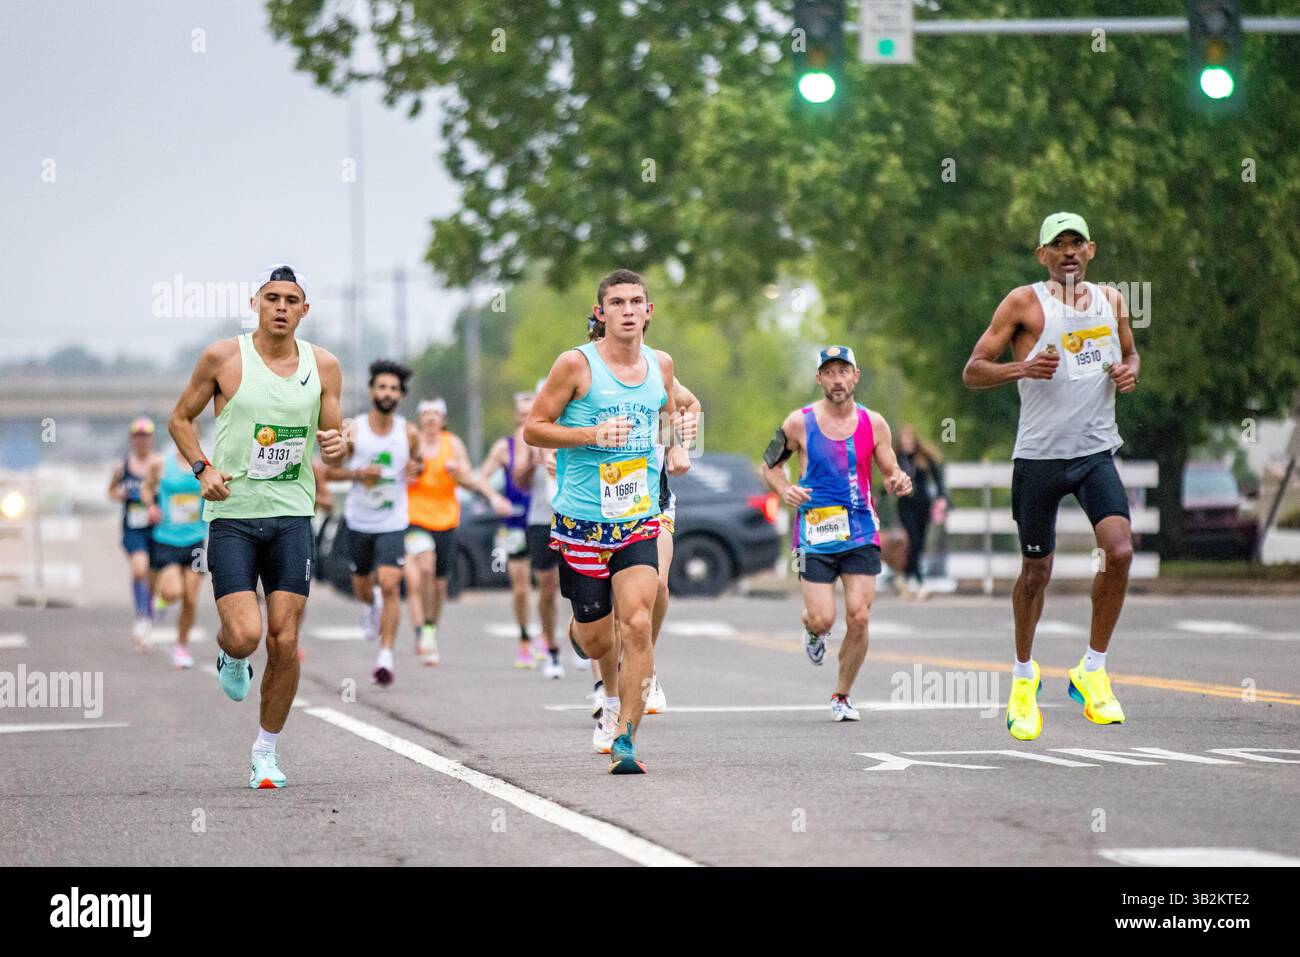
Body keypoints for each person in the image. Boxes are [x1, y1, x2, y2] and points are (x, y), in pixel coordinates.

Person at [962, 212, 1139, 741]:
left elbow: (1129, 352)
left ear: (1091, 250)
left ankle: (1092, 668)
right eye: (1057, 244)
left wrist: (1131, 369)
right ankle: (1023, 678)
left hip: (1094, 453)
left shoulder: (1113, 301)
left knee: (1121, 551)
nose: (1068, 252)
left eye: (1076, 243)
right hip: (1039, 458)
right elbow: (972, 370)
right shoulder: (1023, 303)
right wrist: (1021, 368)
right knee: (1036, 572)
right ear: (1042, 255)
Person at [168, 263, 346, 789]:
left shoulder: (325, 365)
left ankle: (265, 751)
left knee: (284, 641)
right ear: (256, 303)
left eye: (292, 300)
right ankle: (228, 651)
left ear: (305, 311)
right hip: (234, 517)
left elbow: (334, 443)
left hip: (293, 514)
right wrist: (202, 468)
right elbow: (180, 418)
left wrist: (338, 448)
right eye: (273, 298)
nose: (282, 307)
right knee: (247, 636)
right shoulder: (224, 358)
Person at [524, 268, 689, 774]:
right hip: (581, 523)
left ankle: (626, 739)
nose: (626, 310)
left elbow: (679, 408)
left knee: (638, 622)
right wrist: (592, 435)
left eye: (635, 301)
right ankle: (589, 650)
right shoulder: (575, 365)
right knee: (597, 638)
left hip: (638, 517)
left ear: (648, 311)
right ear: (601, 313)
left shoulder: (660, 365)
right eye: (615, 302)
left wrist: (681, 446)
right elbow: (534, 429)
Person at [761, 346, 913, 722]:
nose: (837, 379)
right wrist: (785, 490)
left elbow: (890, 468)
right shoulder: (799, 422)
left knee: (859, 616)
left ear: (856, 376)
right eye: (829, 372)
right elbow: (769, 466)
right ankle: (813, 631)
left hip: (861, 527)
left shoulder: (874, 423)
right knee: (824, 618)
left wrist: (897, 481)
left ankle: (842, 695)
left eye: (844, 371)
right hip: (815, 532)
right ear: (819, 379)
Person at [328, 360, 422, 687]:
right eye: (382, 387)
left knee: (391, 582)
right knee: (364, 586)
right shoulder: (355, 431)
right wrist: (357, 473)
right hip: (359, 521)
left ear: (400, 395)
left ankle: (386, 656)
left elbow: (418, 464)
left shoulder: (408, 433)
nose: (387, 393)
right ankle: (370, 607)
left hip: (393, 520)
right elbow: (330, 471)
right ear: (372, 391)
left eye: (394, 389)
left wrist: (416, 470)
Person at [405, 397, 513, 665]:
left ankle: (430, 629)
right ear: (421, 419)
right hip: (415, 518)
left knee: (440, 584)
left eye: (435, 415)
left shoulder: (452, 444)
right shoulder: (412, 443)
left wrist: (471, 483)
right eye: (426, 415)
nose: (431, 420)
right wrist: (406, 472)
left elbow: (468, 480)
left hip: (446, 521)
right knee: (425, 569)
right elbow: (396, 471)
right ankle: (424, 632)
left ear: (443, 420)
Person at [476, 390, 564, 672]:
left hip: (542, 517)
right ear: (516, 416)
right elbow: (481, 478)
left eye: (531, 413)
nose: (527, 418)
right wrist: (495, 498)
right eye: (523, 414)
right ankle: (525, 638)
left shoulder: (550, 439)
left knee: (548, 585)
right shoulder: (508, 447)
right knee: (521, 587)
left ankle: (545, 635)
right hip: (515, 521)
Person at [513, 394, 566, 680]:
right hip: (540, 520)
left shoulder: (572, 430)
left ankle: (583, 640)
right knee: (546, 585)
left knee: (577, 583)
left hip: (571, 516)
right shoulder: (529, 437)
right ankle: (552, 647)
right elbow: (518, 482)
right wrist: (533, 464)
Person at [144, 447, 209, 669]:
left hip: (196, 539)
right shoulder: (161, 464)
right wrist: (151, 506)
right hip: (167, 538)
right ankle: (162, 599)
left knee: (191, 598)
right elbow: (147, 487)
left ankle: (181, 647)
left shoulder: (205, 466)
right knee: (173, 592)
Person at [108, 417, 164, 650]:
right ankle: (142, 617)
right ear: (132, 439)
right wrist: (118, 495)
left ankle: (149, 617)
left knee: (153, 578)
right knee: (139, 570)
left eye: (146, 436)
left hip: (157, 528)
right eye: (138, 437)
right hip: (133, 528)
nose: (142, 441)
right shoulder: (122, 466)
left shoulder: (160, 464)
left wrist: (159, 507)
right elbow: (110, 491)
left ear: (151, 439)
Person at [892, 424, 948, 601]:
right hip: (905, 505)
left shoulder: (923, 458)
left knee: (920, 543)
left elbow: (938, 478)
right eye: (904, 441)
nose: (907, 443)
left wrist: (941, 496)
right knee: (914, 540)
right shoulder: (897, 459)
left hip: (924, 504)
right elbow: (888, 480)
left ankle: (906, 577)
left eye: (910, 440)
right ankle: (919, 580)